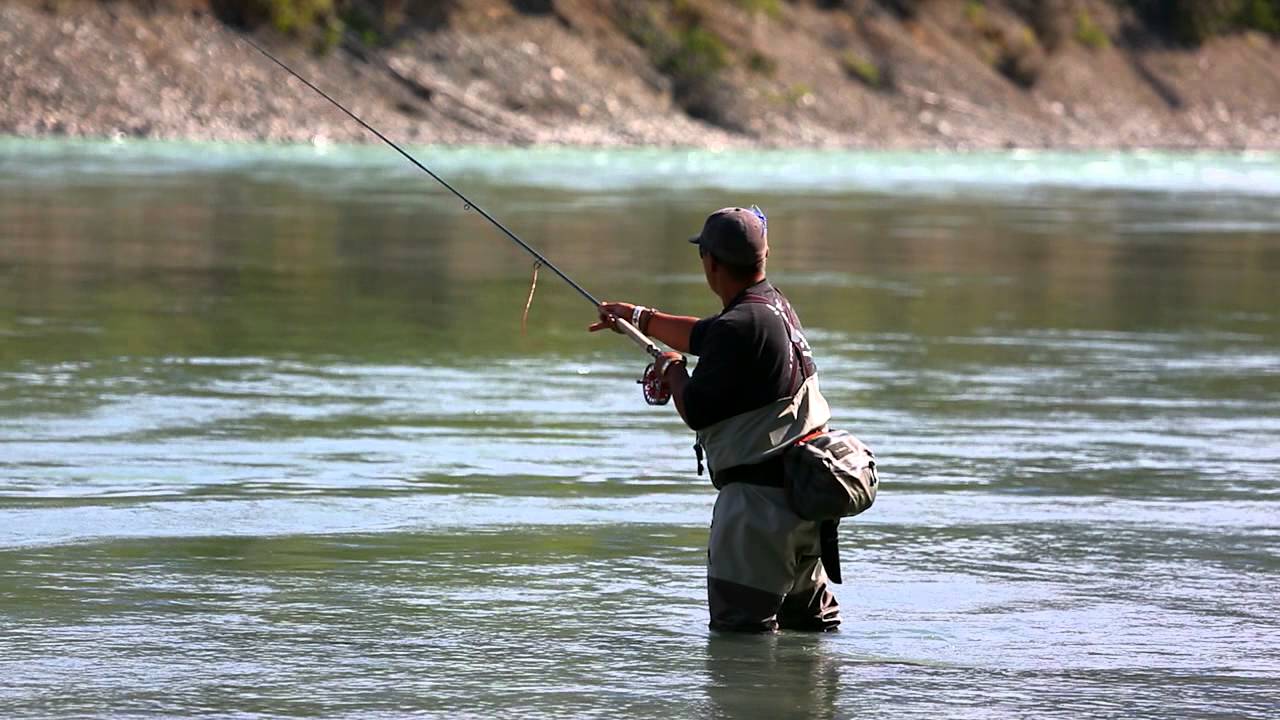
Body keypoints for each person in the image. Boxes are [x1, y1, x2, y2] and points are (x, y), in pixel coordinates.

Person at [589, 205, 840, 633]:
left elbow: (697, 410)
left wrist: (672, 369)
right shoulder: (772, 306)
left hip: (757, 513)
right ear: (764, 255)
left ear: (711, 263)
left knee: (741, 643)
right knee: (811, 632)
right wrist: (638, 318)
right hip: (806, 502)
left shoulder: (739, 325)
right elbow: (705, 334)